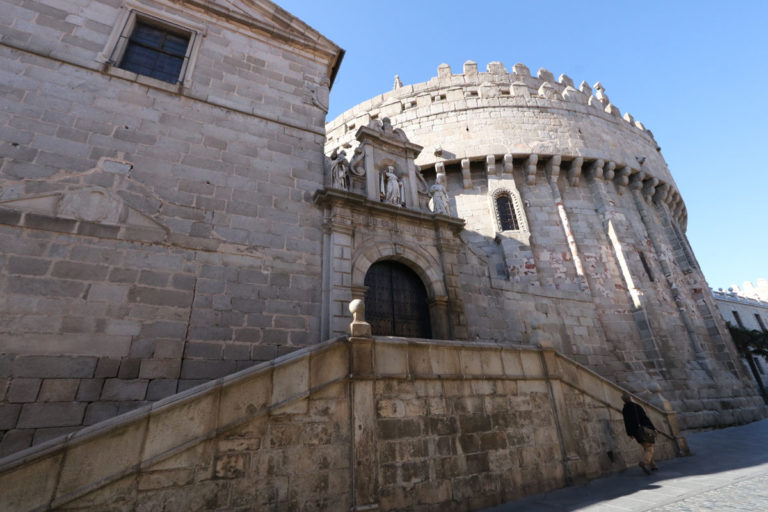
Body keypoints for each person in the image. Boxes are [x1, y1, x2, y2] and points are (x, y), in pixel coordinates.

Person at [621, 393, 657, 475]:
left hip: (635, 432)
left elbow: (626, 422)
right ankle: (644, 463)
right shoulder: (636, 407)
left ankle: (653, 465)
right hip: (643, 430)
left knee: (646, 447)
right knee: (649, 447)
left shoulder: (624, 409)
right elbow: (645, 418)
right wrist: (653, 428)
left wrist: (630, 433)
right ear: (630, 398)